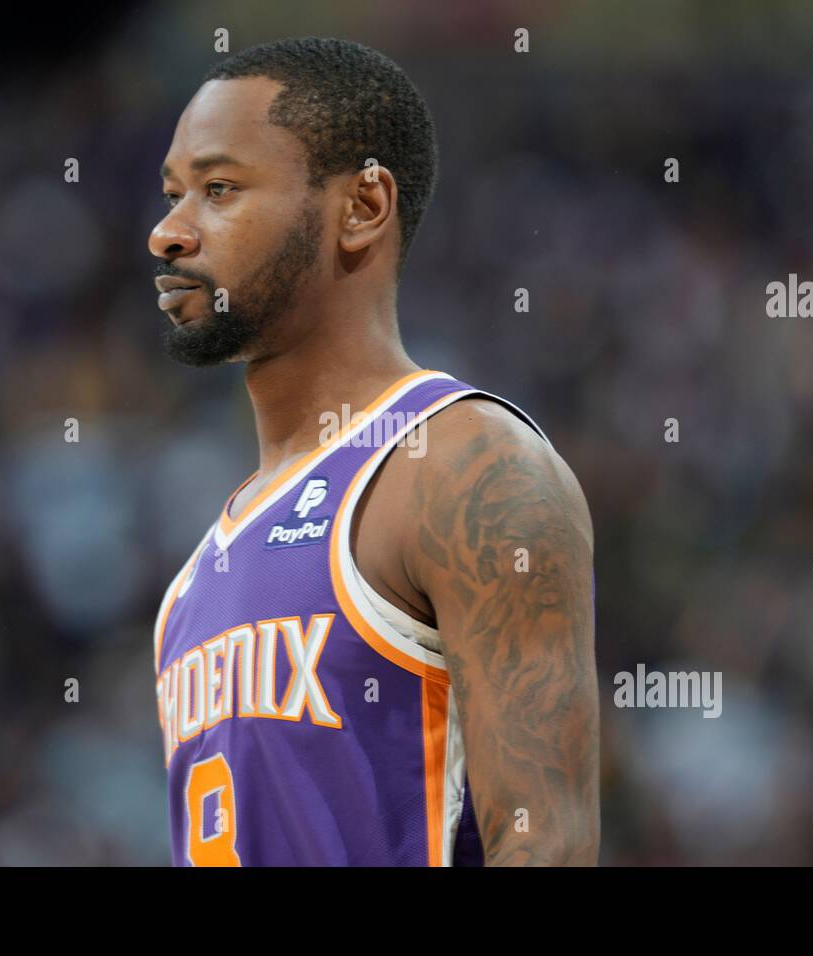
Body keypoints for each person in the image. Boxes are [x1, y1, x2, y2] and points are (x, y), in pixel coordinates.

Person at [149, 37, 598, 866]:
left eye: (218, 189)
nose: (167, 234)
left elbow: (549, 844)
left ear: (361, 207)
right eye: (173, 195)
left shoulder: (463, 466)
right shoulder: (185, 593)